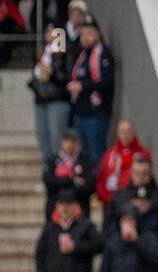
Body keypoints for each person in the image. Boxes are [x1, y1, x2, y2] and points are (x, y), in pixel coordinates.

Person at [68, 16, 116, 166]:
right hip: (80, 112)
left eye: (90, 33)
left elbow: (106, 81)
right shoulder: (81, 56)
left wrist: (82, 86)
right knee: (84, 157)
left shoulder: (103, 54)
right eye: (83, 34)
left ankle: (99, 188)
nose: (85, 37)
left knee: (97, 155)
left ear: (98, 33)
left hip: (96, 114)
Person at [30, 27, 73, 161]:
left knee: (57, 139)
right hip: (41, 100)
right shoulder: (43, 52)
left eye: (53, 32)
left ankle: (61, 171)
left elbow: (66, 78)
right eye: (47, 32)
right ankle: (49, 173)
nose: (48, 35)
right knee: (43, 138)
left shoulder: (65, 54)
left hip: (57, 100)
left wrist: (52, 72)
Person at [96, 119, 148, 209]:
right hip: (111, 202)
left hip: (134, 202)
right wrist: (107, 198)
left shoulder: (142, 155)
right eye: (122, 131)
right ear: (118, 134)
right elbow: (102, 178)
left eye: (128, 131)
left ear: (133, 132)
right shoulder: (109, 155)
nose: (125, 135)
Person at [43, 128, 95, 216]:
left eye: (73, 141)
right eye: (66, 140)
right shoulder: (52, 161)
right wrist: (71, 179)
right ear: (61, 142)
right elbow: (49, 182)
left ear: (78, 143)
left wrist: (61, 181)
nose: (69, 144)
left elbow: (89, 186)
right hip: (55, 209)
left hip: (80, 210)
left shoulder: (86, 161)